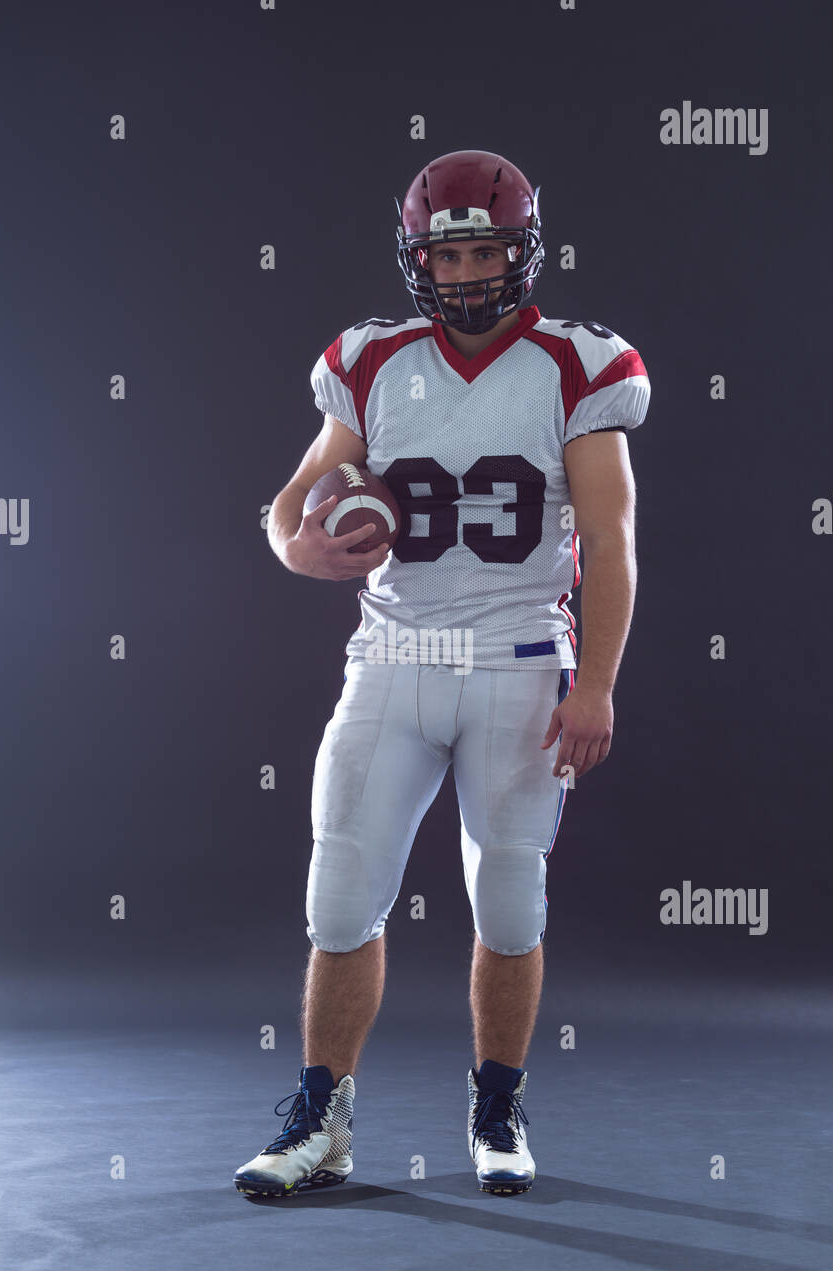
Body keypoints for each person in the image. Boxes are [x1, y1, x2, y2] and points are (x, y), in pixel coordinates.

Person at [234, 149, 650, 1200]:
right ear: (419, 257)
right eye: (447, 252)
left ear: (524, 250)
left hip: (516, 665)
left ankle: (498, 1105)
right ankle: (321, 1118)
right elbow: (293, 502)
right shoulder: (373, 360)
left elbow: (612, 538)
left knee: (508, 904)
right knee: (339, 900)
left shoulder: (578, 362)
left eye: (484, 250)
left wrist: (594, 683)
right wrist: (297, 549)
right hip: (390, 661)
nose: (465, 273)